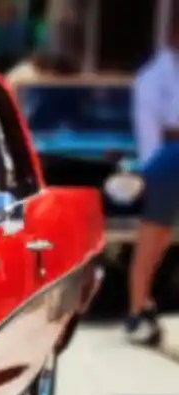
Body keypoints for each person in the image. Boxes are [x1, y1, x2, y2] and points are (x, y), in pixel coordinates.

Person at [127, 18, 179, 346]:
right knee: (154, 240)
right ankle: (137, 307)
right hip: (168, 156)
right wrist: (154, 170)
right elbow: (149, 128)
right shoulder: (154, 75)